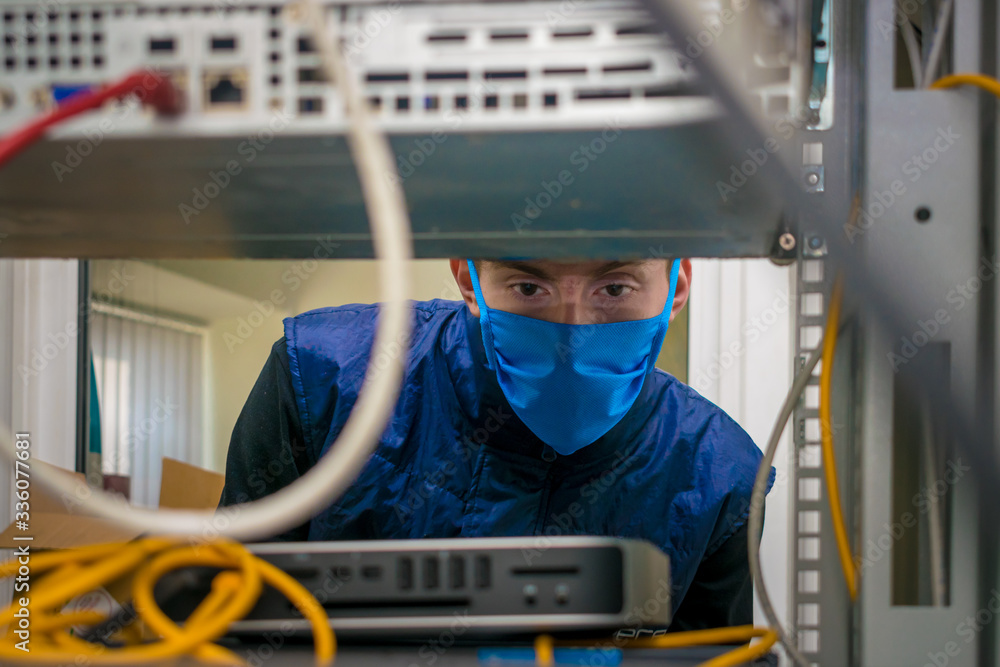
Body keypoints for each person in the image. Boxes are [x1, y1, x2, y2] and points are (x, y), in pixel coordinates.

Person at [220, 257, 772, 631]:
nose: (572, 330)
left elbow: (707, 658)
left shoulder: (719, 477)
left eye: (616, 287)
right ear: (468, 279)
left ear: (675, 288)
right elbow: (229, 618)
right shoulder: (323, 381)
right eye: (530, 287)